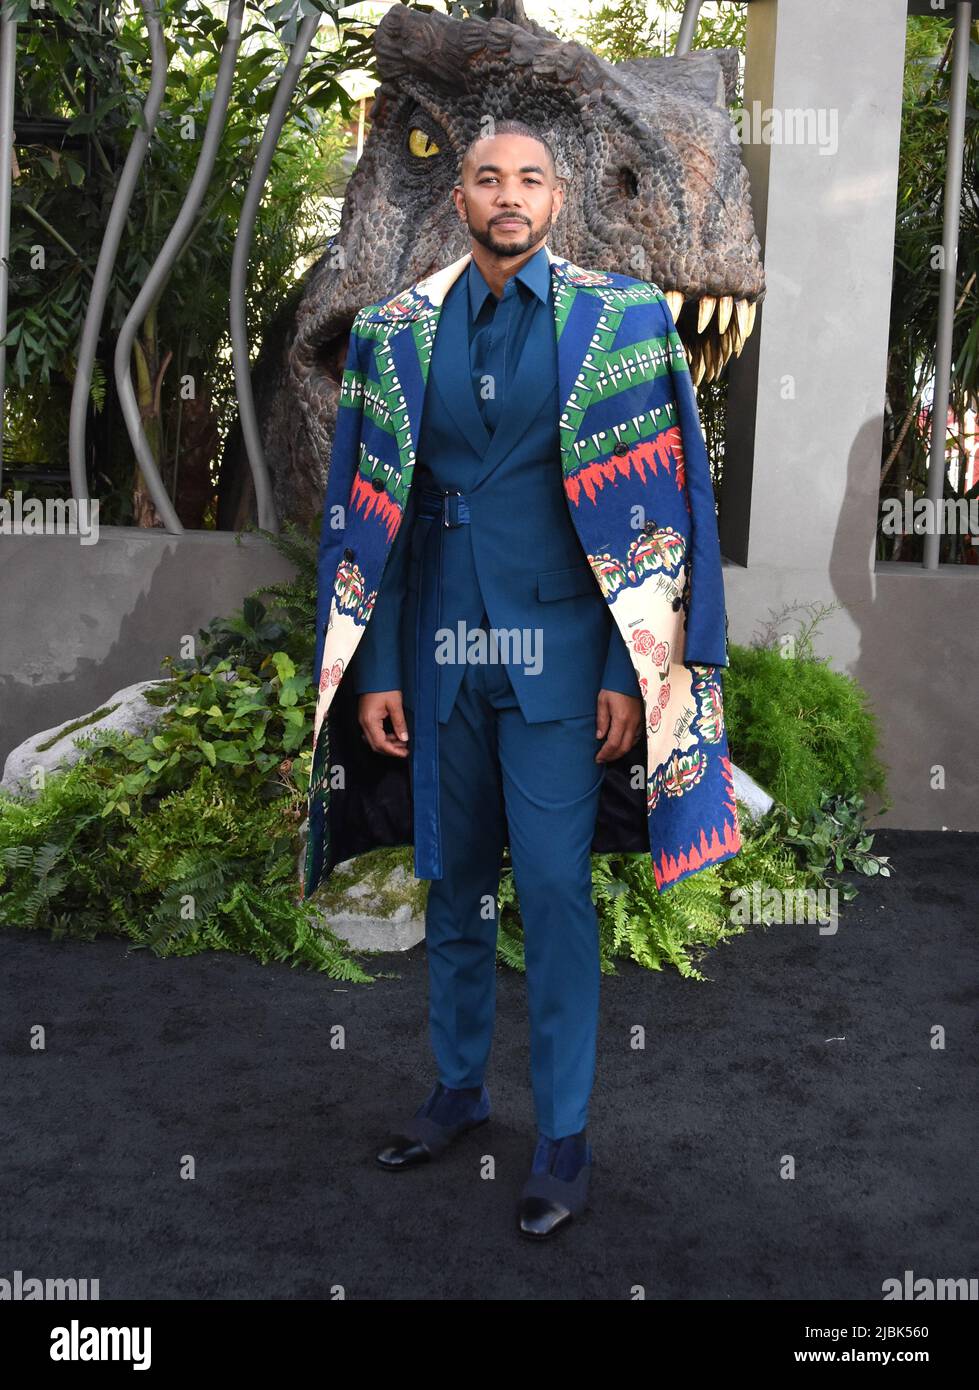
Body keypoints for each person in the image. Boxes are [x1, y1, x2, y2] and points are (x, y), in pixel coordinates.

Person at [309, 118, 739, 1239]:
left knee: (550, 894)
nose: (509, 194)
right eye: (488, 177)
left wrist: (622, 670)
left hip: (559, 662)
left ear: (557, 199)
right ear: (458, 199)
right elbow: (369, 509)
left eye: (530, 178)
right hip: (438, 653)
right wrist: (379, 665)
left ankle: (562, 1138)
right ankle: (456, 1089)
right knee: (452, 885)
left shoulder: (622, 321)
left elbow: (658, 509)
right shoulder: (393, 332)